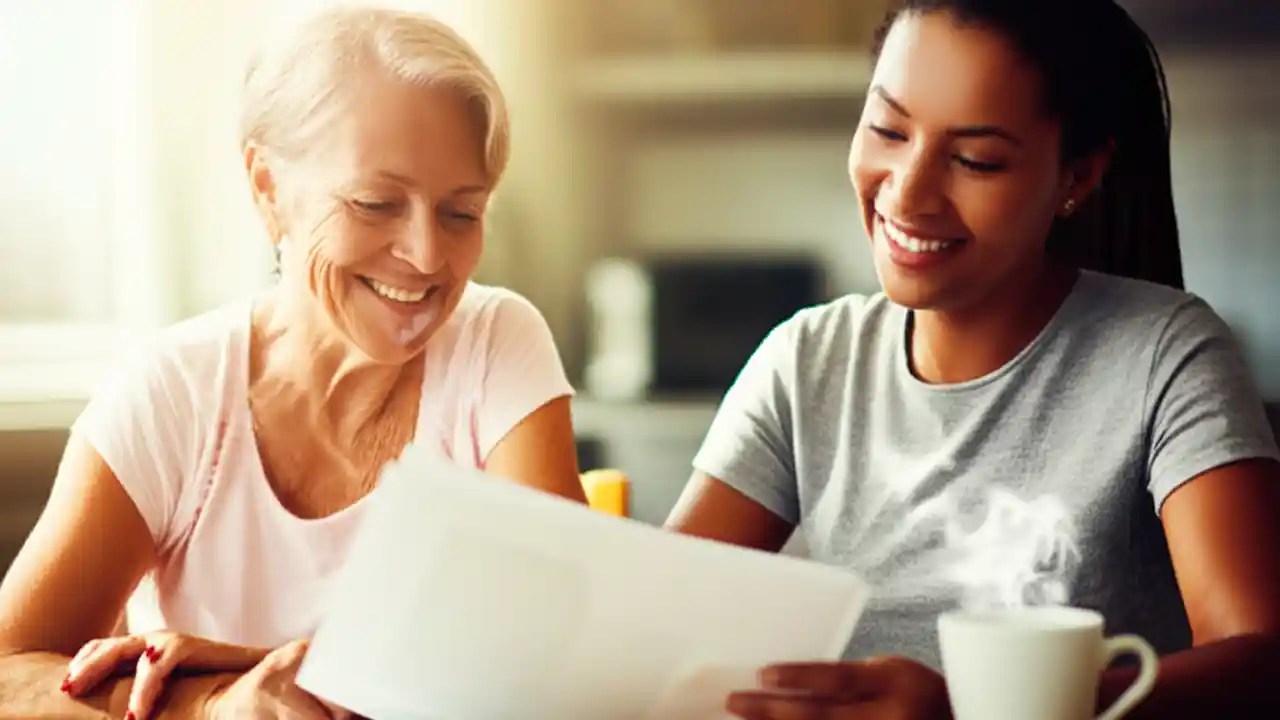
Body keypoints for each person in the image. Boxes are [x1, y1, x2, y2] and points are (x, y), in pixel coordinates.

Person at [666, 1, 1280, 718]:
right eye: (888, 129)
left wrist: (971, 708)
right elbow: (656, 615)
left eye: (975, 160)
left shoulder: (1167, 355)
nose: (908, 193)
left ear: (1077, 176)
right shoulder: (806, 361)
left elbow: (1259, 660)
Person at [0, 7, 586, 719]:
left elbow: (563, 653)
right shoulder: (174, 393)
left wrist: (266, 671)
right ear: (268, 187)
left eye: (461, 213)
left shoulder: (496, 343)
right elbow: (8, 672)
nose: (427, 254)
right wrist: (215, 706)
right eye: (375, 203)